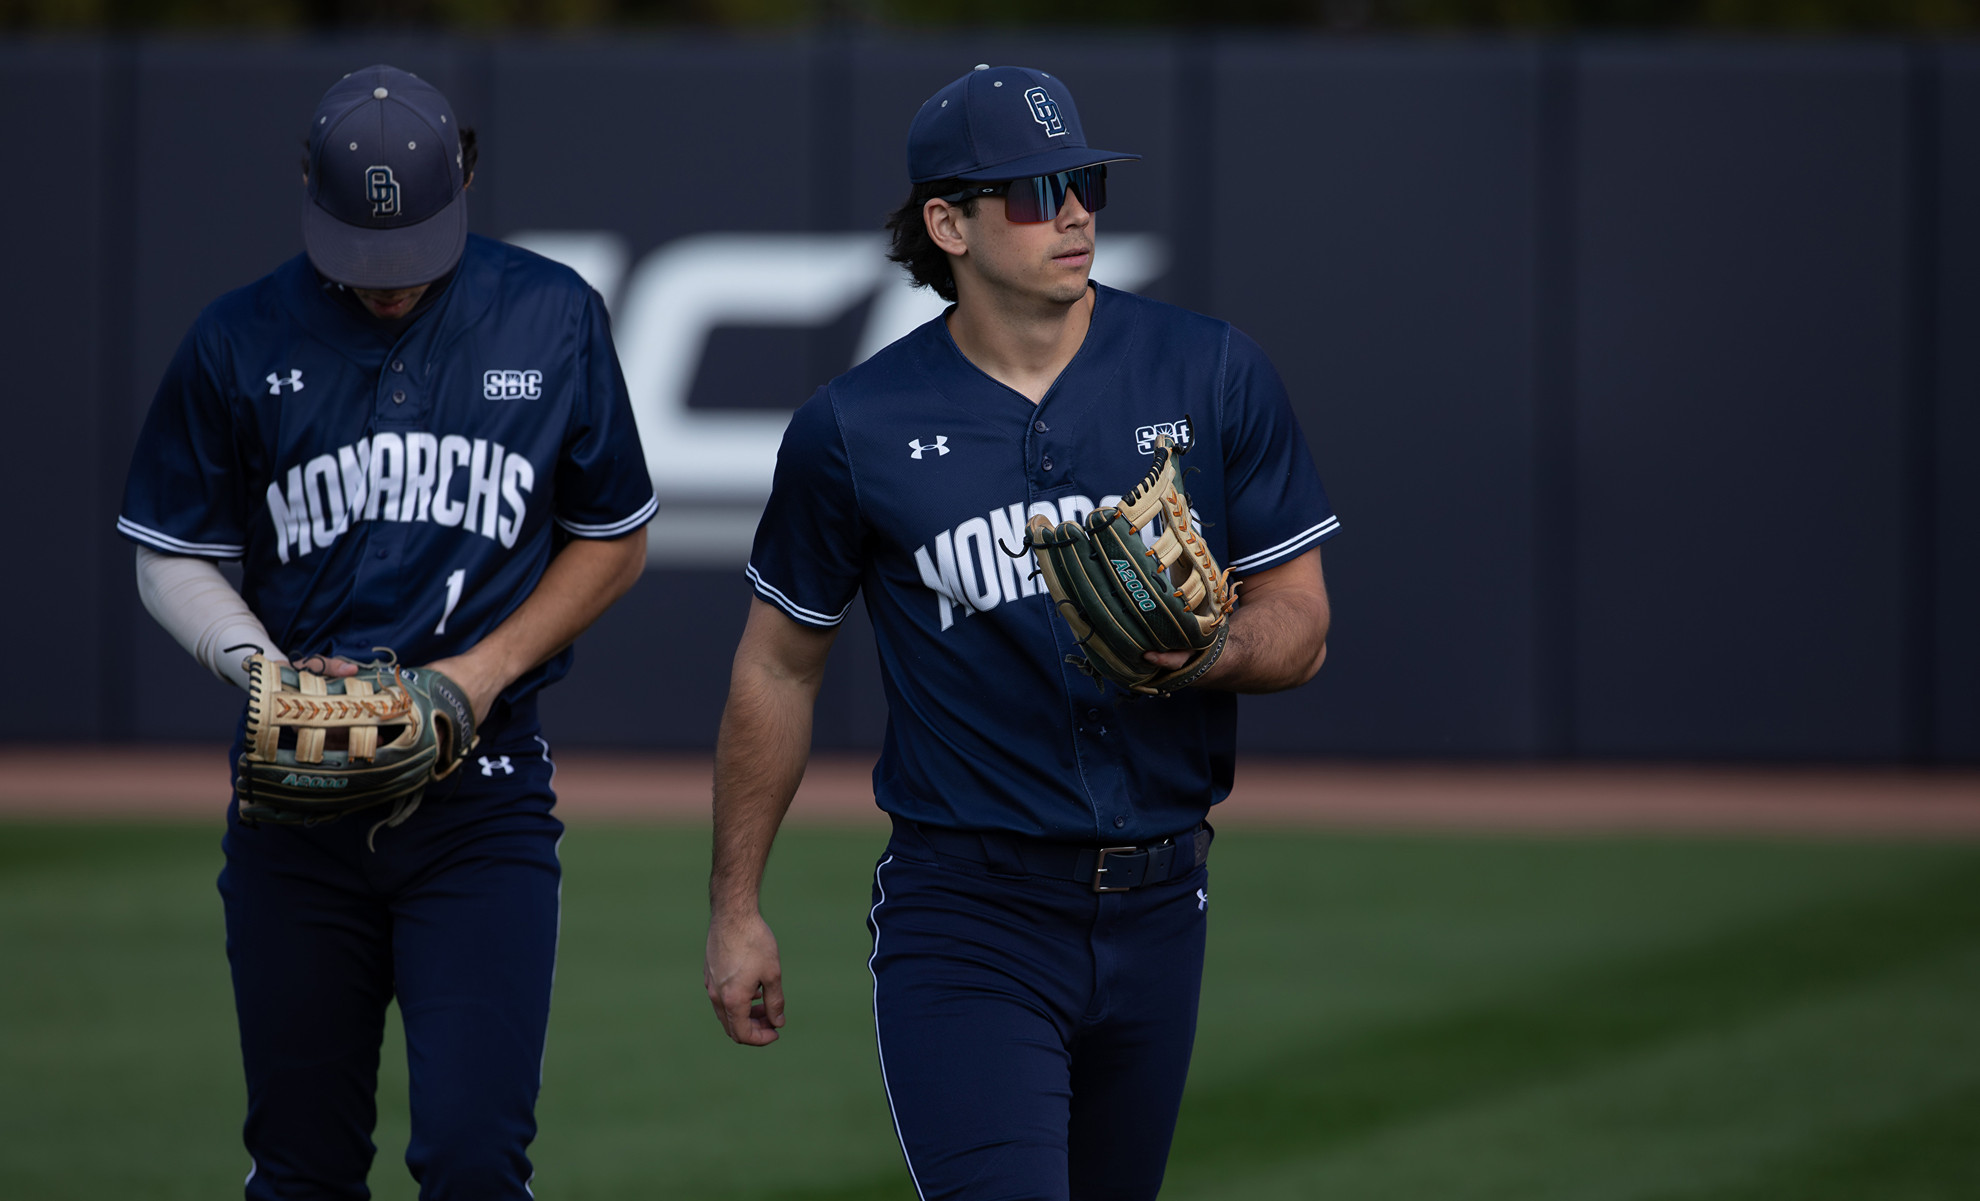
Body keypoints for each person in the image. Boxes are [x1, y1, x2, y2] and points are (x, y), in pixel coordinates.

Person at [705, 64, 1337, 1200]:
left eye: (1084, 179)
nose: (1078, 210)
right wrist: (737, 909)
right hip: (969, 913)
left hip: (1162, 903)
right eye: (1036, 190)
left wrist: (1210, 652)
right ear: (947, 223)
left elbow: (1302, 621)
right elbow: (777, 665)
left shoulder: (1209, 370)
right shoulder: (857, 428)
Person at [117, 65, 655, 1199]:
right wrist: (259, 669)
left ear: (462, 177)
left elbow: (613, 537)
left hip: (482, 805)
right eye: (361, 260)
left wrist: (477, 675)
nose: (388, 288)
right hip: (294, 807)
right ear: (307, 197)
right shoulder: (236, 339)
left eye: (412, 254)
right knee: (302, 1168)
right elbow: (171, 549)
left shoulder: (551, 314)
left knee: (471, 1161)